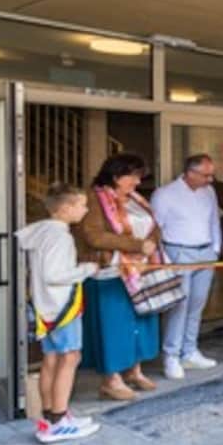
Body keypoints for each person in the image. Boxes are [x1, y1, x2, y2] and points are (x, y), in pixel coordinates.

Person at [75, 154, 161, 400]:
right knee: (113, 325)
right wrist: (136, 245)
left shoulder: (136, 199)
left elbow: (154, 227)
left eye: (138, 176)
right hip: (109, 273)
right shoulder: (94, 199)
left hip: (139, 271)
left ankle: (134, 370)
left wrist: (151, 244)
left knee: (139, 320)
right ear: (115, 176)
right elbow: (94, 236)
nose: (137, 181)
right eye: (132, 176)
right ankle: (111, 379)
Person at [19, 184, 100, 443]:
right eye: (81, 205)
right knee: (70, 357)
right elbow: (54, 275)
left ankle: (49, 418)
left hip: (45, 307)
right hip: (61, 308)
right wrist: (86, 269)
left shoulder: (42, 231)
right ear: (65, 208)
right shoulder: (60, 237)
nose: (85, 209)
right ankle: (60, 420)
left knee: (51, 359)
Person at [151, 154, 222, 380]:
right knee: (179, 306)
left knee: (196, 305)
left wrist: (216, 249)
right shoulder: (165, 194)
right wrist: (162, 260)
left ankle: (189, 351)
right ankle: (171, 356)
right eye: (205, 175)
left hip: (205, 252)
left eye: (212, 174)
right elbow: (155, 229)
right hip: (178, 252)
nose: (210, 179)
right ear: (190, 172)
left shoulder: (208, 192)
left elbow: (214, 221)